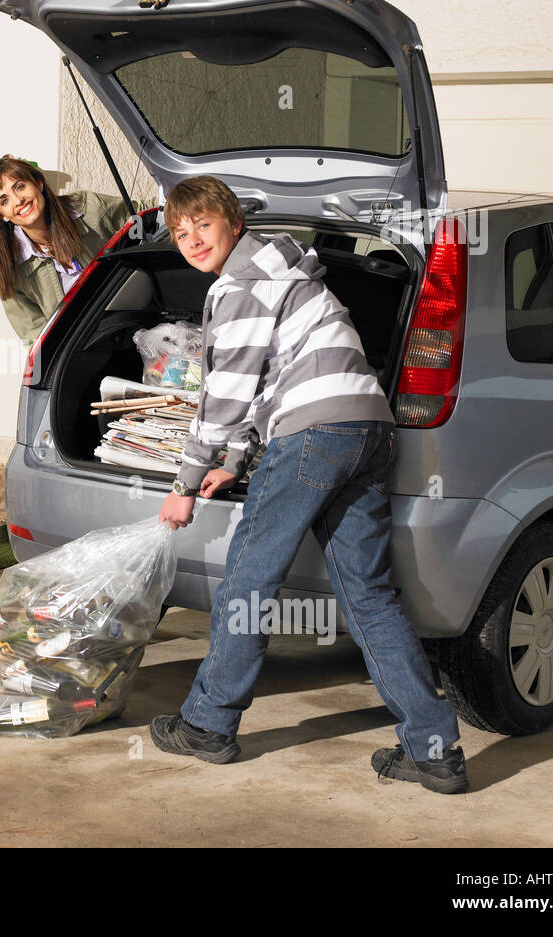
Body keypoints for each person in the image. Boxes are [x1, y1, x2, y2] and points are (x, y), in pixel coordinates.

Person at [149, 175, 468, 793]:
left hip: (315, 434)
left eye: (203, 226)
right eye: (180, 232)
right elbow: (271, 379)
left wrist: (185, 481)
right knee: (370, 595)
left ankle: (209, 723)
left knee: (249, 574)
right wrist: (235, 460)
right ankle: (434, 751)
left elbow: (226, 395)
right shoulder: (290, 274)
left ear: (232, 222)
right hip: (367, 430)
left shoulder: (241, 285)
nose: (191, 241)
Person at [0, 157, 129, 344]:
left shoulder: (88, 208)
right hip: (86, 349)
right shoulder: (11, 271)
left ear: (38, 183)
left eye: (20, 187)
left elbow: (149, 215)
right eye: (4, 200)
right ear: (1, 215)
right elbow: (37, 340)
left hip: (135, 316)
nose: (18, 200)